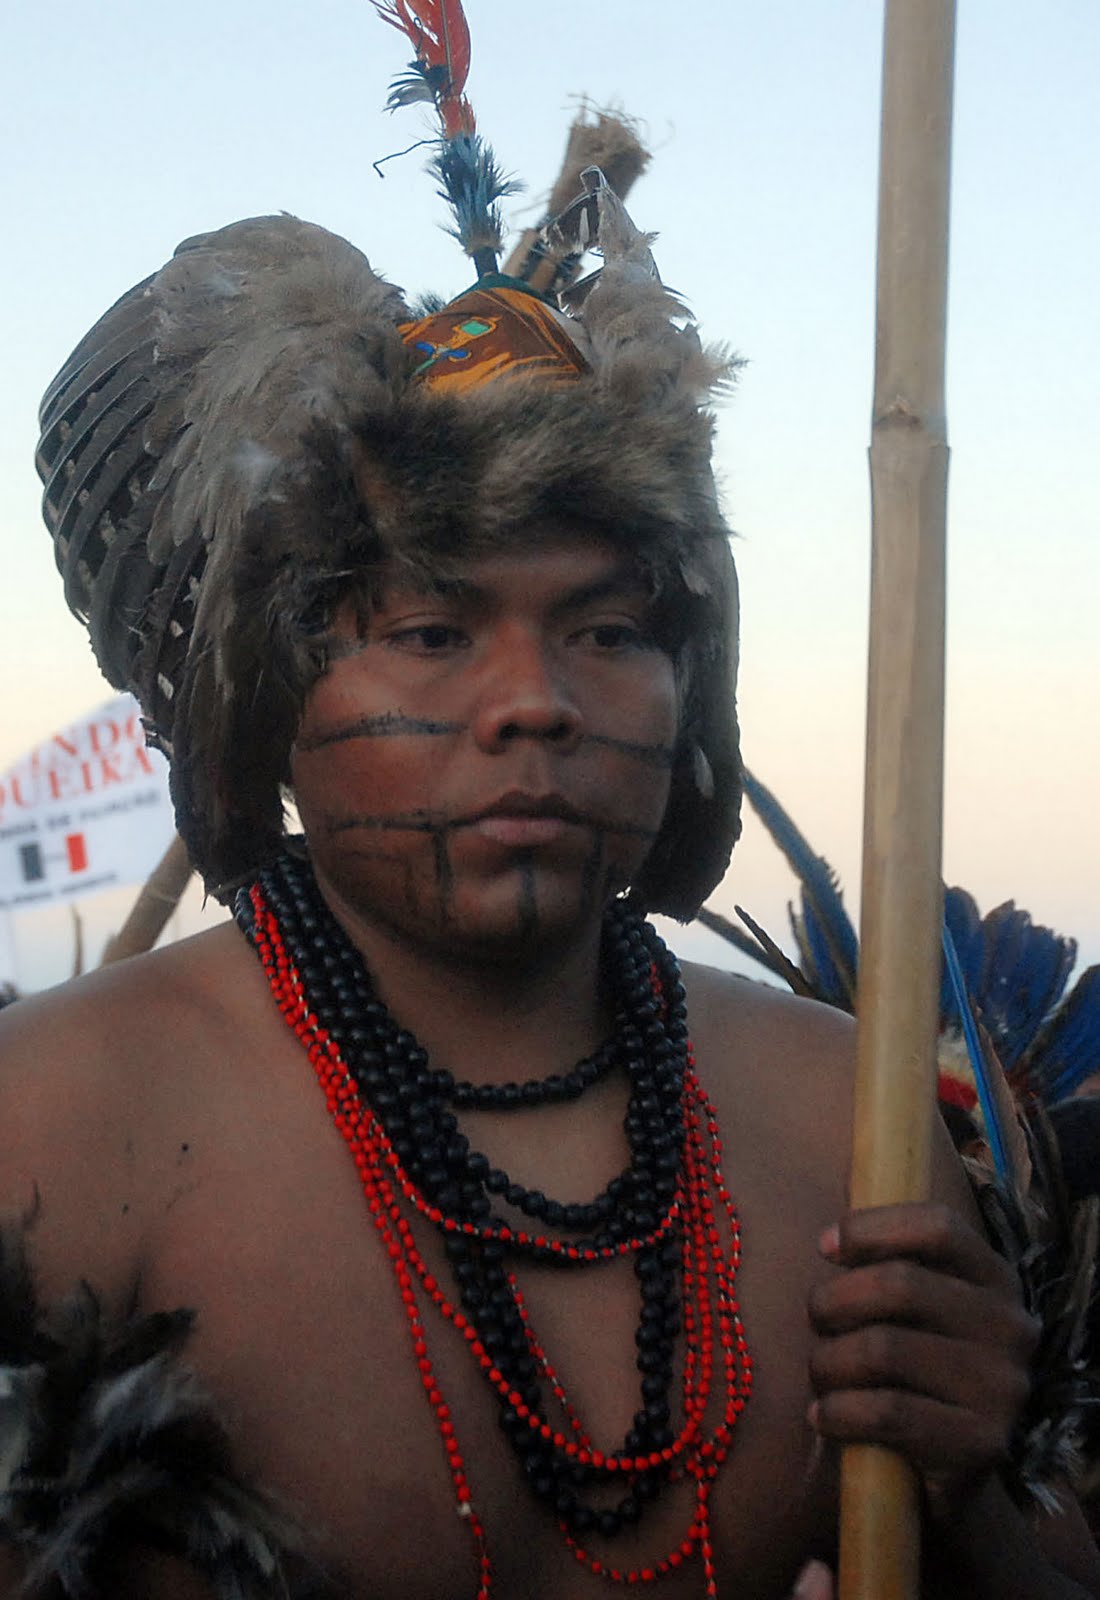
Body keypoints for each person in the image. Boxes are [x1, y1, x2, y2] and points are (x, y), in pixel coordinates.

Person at [2, 42, 1100, 1598]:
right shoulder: (56, 1125)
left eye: (605, 630)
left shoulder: (845, 1125)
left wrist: (981, 1472)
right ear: (274, 705)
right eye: (435, 634)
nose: (537, 702)